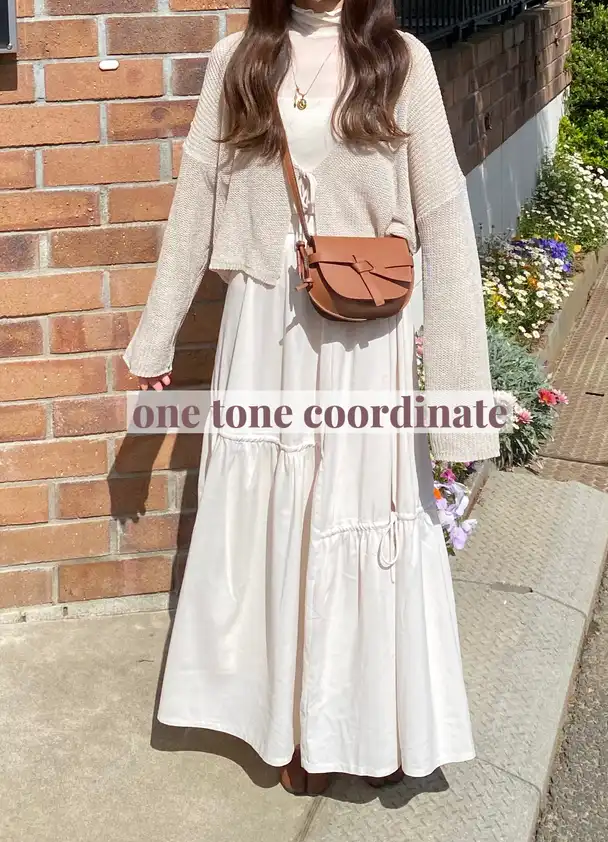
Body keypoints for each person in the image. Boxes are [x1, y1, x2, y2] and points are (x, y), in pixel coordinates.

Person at [123, 0, 499, 796]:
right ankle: (287, 721)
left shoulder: (401, 61)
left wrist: (460, 409)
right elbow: (195, 202)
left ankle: (365, 721)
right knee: (278, 515)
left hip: (368, 340)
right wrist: (156, 337)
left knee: (356, 512)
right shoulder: (237, 61)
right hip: (266, 328)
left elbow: (446, 226)